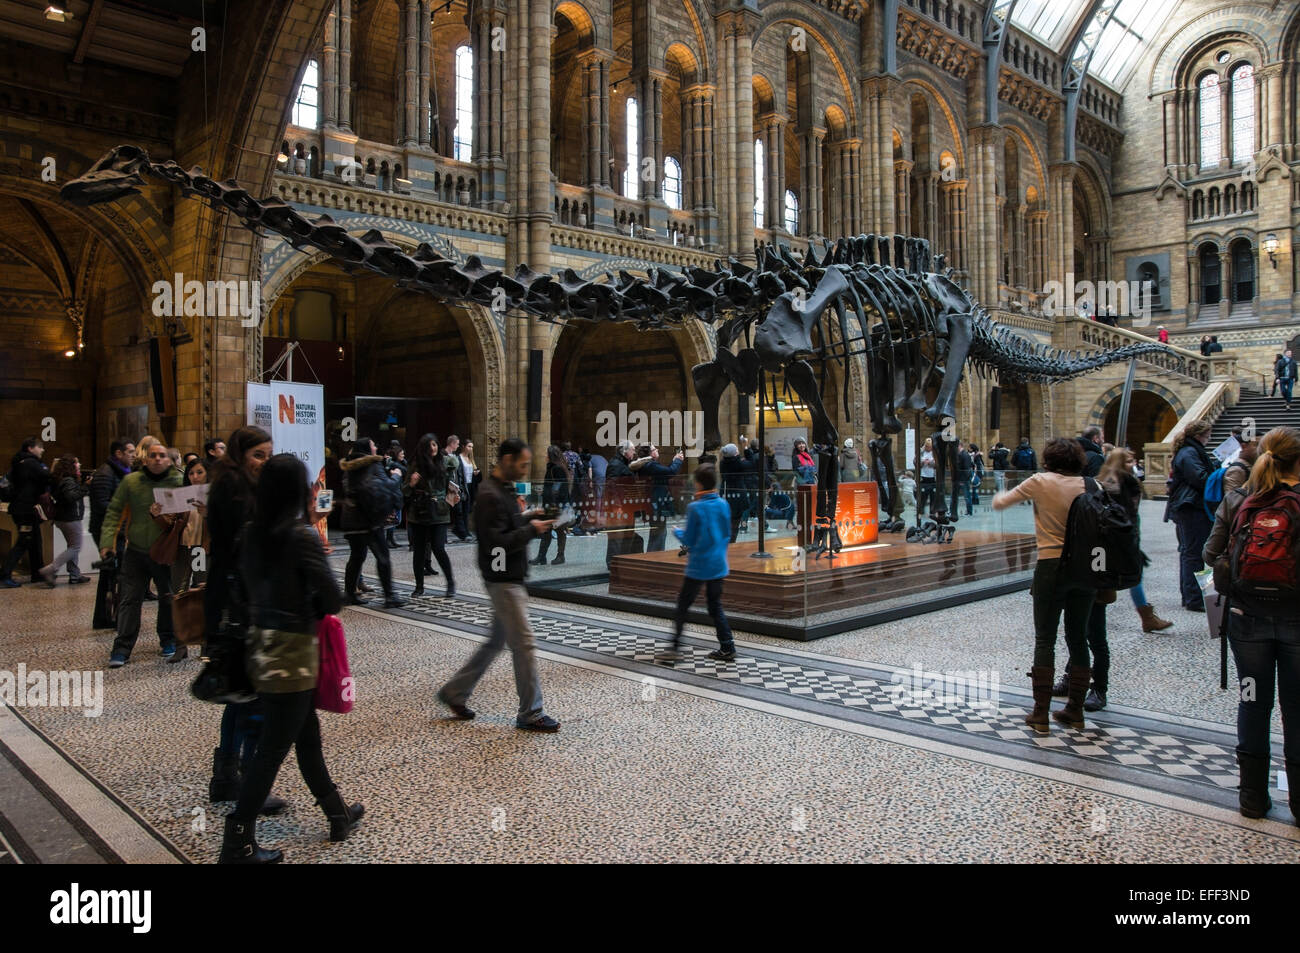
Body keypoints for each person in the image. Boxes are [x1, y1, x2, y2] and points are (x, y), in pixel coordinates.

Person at [219, 454, 362, 864]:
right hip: (294, 651)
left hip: (261, 645)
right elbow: (333, 597)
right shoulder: (300, 536)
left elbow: (242, 592)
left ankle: (338, 813)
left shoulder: (249, 533)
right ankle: (238, 840)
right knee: (271, 750)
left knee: (305, 733)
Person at [1203, 426, 1300, 822]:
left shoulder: (1238, 497)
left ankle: (1252, 799)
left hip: (1246, 622)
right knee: (1296, 708)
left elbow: (1210, 554)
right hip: (1297, 620)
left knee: (1252, 703)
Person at [436, 438, 559, 732]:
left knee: (495, 642)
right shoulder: (490, 494)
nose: (525, 469)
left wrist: (529, 517)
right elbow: (497, 545)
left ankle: (454, 692)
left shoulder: (500, 490)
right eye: (522, 463)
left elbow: (505, 525)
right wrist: (532, 530)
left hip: (506, 577)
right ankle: (531, 712)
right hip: (503, 580)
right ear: (506, 459)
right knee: (525, 644)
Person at [203, 426, 286, 813]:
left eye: (269, 455)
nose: (264, 462)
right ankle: (251, 785)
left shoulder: (236, 485)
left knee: (239, 695)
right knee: (255, 701)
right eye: (258, 455)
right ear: (240, 455)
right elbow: (249, 547)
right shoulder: (235, 490)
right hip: (244, 603)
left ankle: (224, 778)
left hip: (238, 599)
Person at [993, 438, 1095, 732]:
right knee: (1078, 638)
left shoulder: (1040, 481)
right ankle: (1075, 710)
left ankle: (1040, 713)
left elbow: (1001, 502)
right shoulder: (1090, 485)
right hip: (1086, 568)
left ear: (1049, 458)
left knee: (1045, 639)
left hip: (1051, 565)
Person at [97, 441, 183, 665]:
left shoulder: (178, 482)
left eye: (162, 455)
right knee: (129, 599)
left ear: (168, 459)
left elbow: (189, 516)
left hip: (165, 551)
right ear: (145, 459)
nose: (157, 459)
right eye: (153, 455)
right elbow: (114, 511)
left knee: (168, 598)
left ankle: (168, 640)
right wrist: (108, 542)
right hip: (135, 550)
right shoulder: (131, 481)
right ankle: (122, 648)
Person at [661, 464, 735, 664]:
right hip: (719, 564)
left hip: (699, 567)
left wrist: (677, 532)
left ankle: (674, 650)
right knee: (715, 606)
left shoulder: (696, 507)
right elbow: (727, 533)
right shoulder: (723, 504)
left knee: (683, 607)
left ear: (699, 482)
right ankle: (727, 646)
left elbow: (691, 539)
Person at [1164, 420, 1216, 612]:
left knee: (1190, 552)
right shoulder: (1189, 452)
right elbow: (1200, 478)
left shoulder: (1190, 451)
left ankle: (1191, 596)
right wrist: (1218, 474)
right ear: (1199, 435)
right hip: (1191, 507)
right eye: (1208, 435)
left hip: (1190, 507)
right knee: (1193, 553)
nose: (1209, 438)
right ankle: (1194, 598)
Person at [405, 433, 457, 597]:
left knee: (438, 547)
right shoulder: (415, 465)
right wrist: (411, 484)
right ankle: (419, 586)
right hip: (419, 512)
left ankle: (450, 583)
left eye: (435, 444)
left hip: (439, 511)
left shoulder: (445, 463)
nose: (433, 448)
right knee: (419, 551)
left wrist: (452, 499)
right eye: (429, 446)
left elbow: (453, 484)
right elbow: (404, 490)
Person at [1, 438, 51, 588]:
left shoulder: (17, 464)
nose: (42, 450)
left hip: (21, 509)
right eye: (40, 447)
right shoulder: (32, 464)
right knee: (24, 541)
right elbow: (47, 479)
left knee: (35, 540)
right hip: (25, 509)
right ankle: (5, 575)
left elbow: (4, 483)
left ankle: (37, 573)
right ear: (30, 448)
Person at [38, 454, 90, 587]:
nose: (79, 465)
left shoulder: (59, 479)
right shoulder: (68, 480)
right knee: (75, 547)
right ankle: (50, 570)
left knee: (72, 546)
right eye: (77, 463)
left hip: (62, 518)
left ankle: (75, 575)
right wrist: (86, 486)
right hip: (70, 518)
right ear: (70, 466)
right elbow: (71, 497)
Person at [170, 458, 209, 601]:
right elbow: (172, 522)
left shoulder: (213, 493)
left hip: (200, 548)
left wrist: (207, 514)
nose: (195, 477)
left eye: (199, 472)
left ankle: (202, 621)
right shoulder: (182, 494)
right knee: (178, 590)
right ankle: (181, 621)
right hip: (181, 546)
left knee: (202, 586)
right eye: (191, 473)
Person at [638, 444, 685, 552]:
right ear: (650, 454)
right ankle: (654, 557)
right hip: (656, 502)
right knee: (659, 532)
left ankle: (655, 556)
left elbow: (664, 473)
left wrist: (673, 461)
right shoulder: (650, 465)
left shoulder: (649, 465)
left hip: (654, 501)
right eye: (654, 449)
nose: (657, 449)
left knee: (659, 531)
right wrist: (677, 461)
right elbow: (670, 472)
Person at [532, 445, 572, 565]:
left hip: (555, 506)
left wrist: (556, 503)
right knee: (547, 530)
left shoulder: (556, 468)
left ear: (550, 455)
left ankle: (558, 556)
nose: (545, 456)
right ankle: (542, 557)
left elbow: (560, 488)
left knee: (558, 530)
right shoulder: (553, 467)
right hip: (551, 505)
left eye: (546, 454)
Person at [720, 441, 758, 542]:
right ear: (735, 453)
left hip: (727, 494)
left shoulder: (723, 463)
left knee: (729, 520)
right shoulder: (739, 463)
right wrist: (745, 447)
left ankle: (726, 540)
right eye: (736, 449)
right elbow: (752, 462)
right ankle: (731, 542)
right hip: (738, 496)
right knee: (735, 521)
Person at [383, 441, 408, 549]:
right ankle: (388, 540)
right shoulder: (390, 463)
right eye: (402, 454)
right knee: (393, 517)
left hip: (398, 492)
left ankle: (391, 539)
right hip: (393, 493)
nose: (403, 456)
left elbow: (406, 470)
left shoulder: (400, 463)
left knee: (395, 517)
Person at [952, 441, 974, 516]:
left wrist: (963, 480)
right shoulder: (960, 454)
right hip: (959, 479)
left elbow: (967, 469)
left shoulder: (964, 455)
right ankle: (952, 511)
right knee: (955, 496)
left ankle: (969, 511)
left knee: (967, 496)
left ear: (959, 446)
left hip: (963, 479)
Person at [918, 438, 937, 515]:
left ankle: (932, 510)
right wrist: (922, 462)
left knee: (933, 495)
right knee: (923, 495)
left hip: (932, 476)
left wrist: (930, 463)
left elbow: (938, 463)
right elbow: (916, 461)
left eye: (930, 447)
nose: (928, 448)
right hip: (923, 476)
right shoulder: (921, 452)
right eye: (927, 446)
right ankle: (921, 509)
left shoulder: (935, 453)